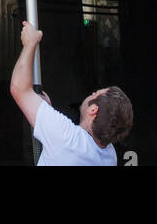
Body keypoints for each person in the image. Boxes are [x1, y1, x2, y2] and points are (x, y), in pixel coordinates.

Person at [9, 20, 133, 166]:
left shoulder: (66, 138)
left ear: (93, 110)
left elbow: (18, 88)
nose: (92, 93)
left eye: (95, 94)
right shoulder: (109, 156)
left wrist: (30, 44)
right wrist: (46, 109)